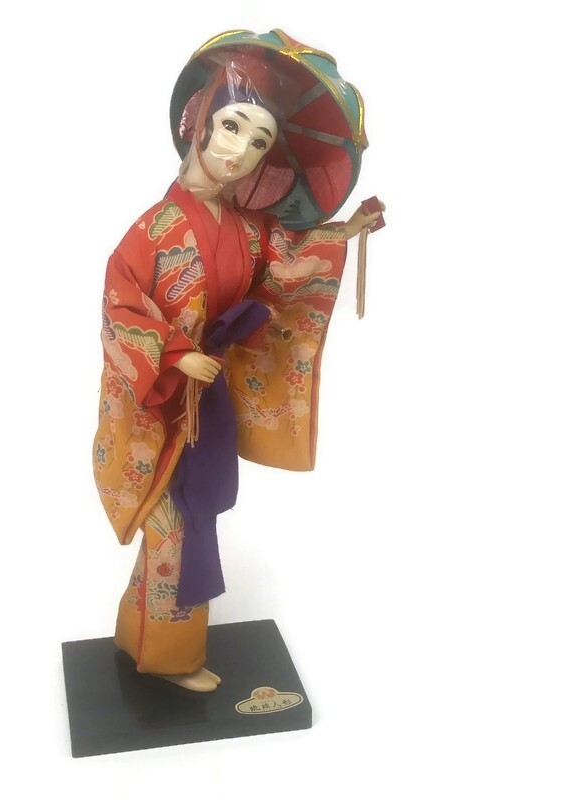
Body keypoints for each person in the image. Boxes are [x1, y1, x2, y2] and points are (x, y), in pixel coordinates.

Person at [93, 31, 383, 691]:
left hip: (208, 400)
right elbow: (119, 308)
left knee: (185, 523)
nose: (241, 150)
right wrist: (175, 355)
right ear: (196, 118)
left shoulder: (246, 228)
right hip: (163, 406)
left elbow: (283, 267)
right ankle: (171, 659)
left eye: (259, 141)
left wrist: (344, 233)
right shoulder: (154, 230)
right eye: (231, 125)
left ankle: (138, 634)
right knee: (175, 529)